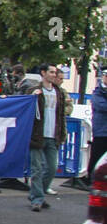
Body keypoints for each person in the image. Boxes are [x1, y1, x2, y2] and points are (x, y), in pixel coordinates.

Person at [28, 63, 68, 212]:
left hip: (53, 135)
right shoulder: (34, 91)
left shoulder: (59, 92)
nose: (54, 75)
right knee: (36, 168)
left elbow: (61, 114)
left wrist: (62, 133)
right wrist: (32, 97)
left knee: (52, 168)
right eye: (51, 72)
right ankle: (37, 198)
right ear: (43, 73)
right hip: (37, 135)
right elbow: (25, 108)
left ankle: (37, 193)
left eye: (54, 72)